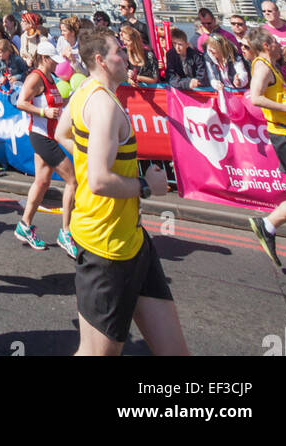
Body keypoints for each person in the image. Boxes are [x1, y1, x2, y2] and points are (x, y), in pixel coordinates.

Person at [55, 28, 188, 356]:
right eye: (120, 52)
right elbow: (100, 180)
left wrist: (91, 157)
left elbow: (61, 132)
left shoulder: (84, 90)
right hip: (106, 249)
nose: (127, 57)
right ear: (100, 60)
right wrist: (147, 186)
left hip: (133, 242)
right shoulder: (104, 106)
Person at [14, 40, 78, 256]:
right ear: (43, 58)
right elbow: (21, 102)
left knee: (41, 182)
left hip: (50, 136)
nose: (56, 64)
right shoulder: (35, 77)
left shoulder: (51, 79)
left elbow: (55, 104)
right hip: (42, 137)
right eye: (53, 60)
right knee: (72, 180)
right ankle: (66, 232)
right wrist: (44, 113)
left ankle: (24, 225)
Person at [246, 26, 286, 267]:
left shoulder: (272, 68)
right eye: (277, 43)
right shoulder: (262, 65)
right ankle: (267, 224)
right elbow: (255, 97)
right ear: (267, 45)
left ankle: (268, 227)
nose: (281, 46)